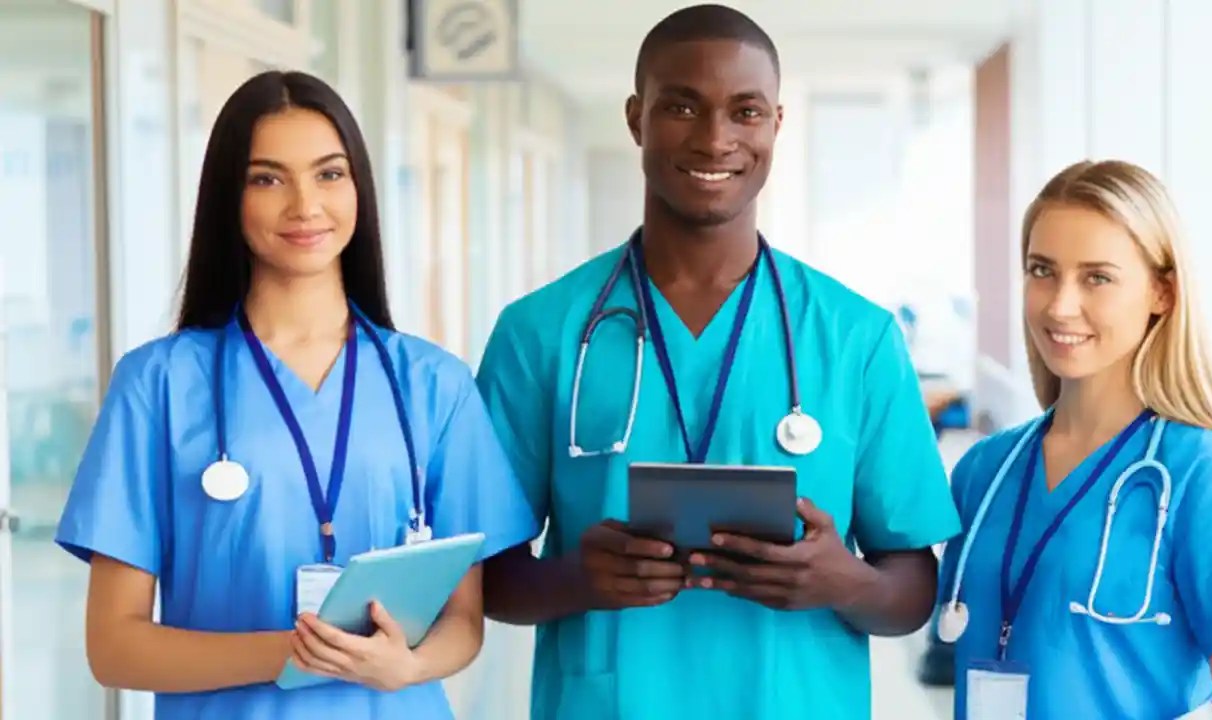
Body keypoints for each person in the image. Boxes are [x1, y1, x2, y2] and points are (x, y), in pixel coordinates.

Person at [475, 5, 960, 719]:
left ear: (775, 125)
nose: (715, 138)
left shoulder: (856, 338)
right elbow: (486, 580)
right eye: (681, 106)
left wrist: (841, 582)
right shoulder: (539, 333)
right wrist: (580, 578)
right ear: (636, 118)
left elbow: (911, 587)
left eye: (745, 111)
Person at [54, 70, 538, 719]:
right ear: (230, 197)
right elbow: (114, 646)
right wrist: (297, 651)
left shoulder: (431, 385)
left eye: (329, 174)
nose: (304, 205)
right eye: (267, 178)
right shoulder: (160, 383)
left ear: (359, 187)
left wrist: (410, 665)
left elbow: (463, 621)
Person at [936, 159, 1212, 719]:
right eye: (1042, 270)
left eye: (1097, 277)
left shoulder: (1207, 477)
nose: (1059, 304)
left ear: (1161, 293)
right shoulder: (984, 471)